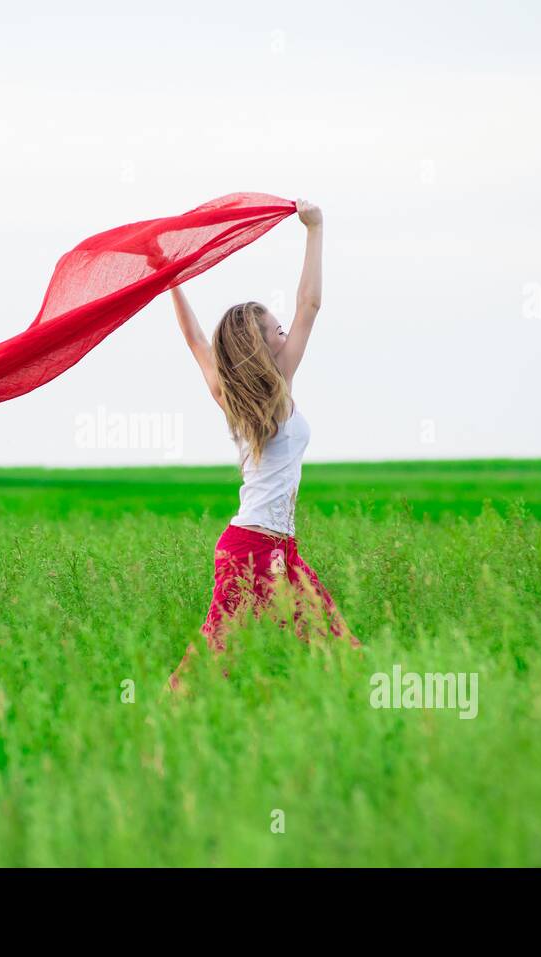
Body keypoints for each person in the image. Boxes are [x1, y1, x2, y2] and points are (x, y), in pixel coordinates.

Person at [162, 198, 360, 691]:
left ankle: (359, 717)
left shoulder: (237, 396)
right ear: (263, 346)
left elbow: (195, 343)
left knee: (337, 647)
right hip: (252, 548)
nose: (286, 331)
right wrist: (315, 229)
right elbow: (310, 304)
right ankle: (160, 725)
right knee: (214, 658)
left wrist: (170, 278)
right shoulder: (274, 393)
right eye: (278, 330)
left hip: (279, 550)